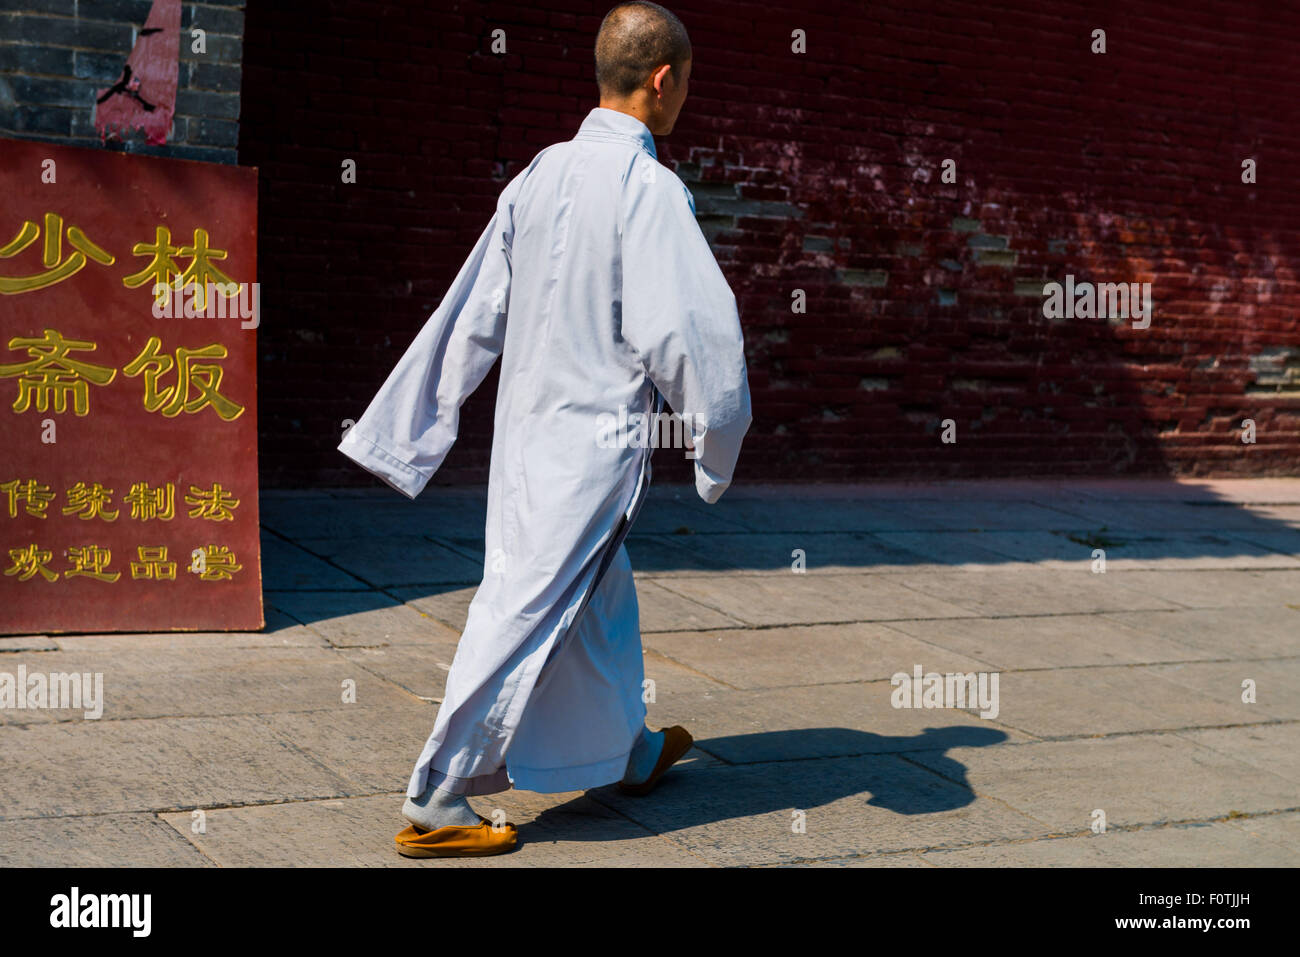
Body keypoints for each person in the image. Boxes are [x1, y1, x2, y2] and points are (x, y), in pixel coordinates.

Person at [337, 0, 751, 858]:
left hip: (526, 438)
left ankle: (624, 748)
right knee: (526, 606)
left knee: (600, 602)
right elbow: (691, 334)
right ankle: (436, 795)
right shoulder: (649, 189)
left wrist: (416, 425)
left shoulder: (538, 173)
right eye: (689, 83)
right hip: (590, 450)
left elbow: (472, 311)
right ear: (664, 81)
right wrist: (716, 441)